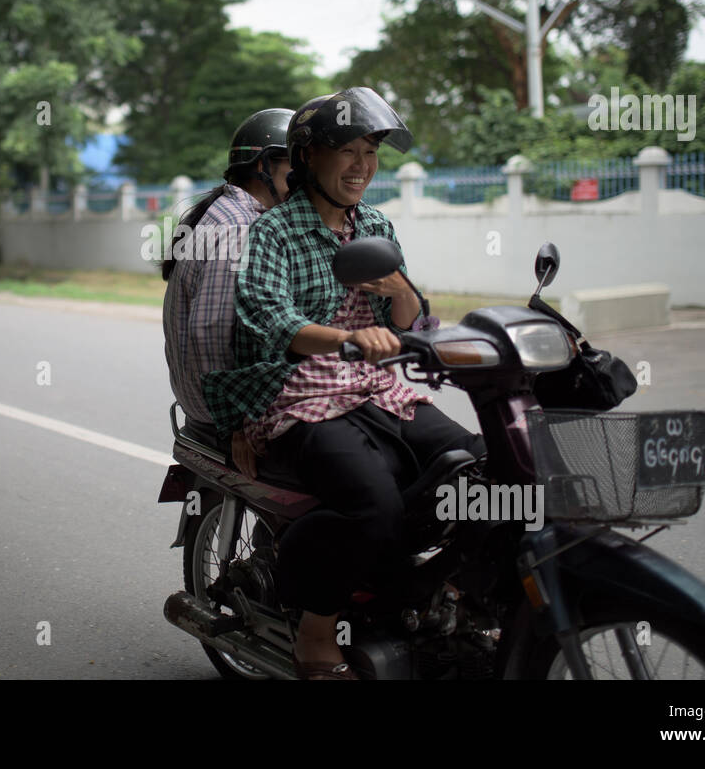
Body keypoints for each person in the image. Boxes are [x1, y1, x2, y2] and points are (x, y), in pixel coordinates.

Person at [203, 87, 485, 679]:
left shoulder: (375, 224)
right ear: (308, 158)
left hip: (378, 389)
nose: (362, 166)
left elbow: (408, 320)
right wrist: (346, 339)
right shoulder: (275, 232)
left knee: (480, 467)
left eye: (370, 152)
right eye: (346, 152)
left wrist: (402, 296)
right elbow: (270, 319)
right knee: (373, 504)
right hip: (299, 394)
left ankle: (430, 594)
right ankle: (315, 627)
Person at [161, 109, 293, 450]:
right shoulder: (241, 227)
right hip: (219, 409)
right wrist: (237, 423)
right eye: (296, 165)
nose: (305, 178)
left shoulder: (224, 209)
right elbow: (210, 330)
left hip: (197, 398)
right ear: (264, 167)